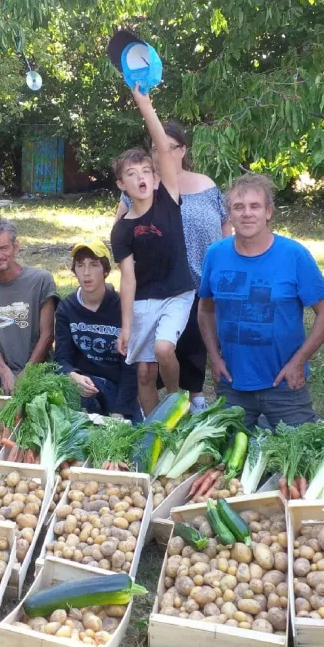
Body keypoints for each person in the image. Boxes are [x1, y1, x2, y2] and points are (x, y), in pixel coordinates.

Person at [198, 173, 324, 431]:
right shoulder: (216, 254)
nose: (246, 214)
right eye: (238, 207)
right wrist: (214, 358)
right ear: (229, 214)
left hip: (284, 382)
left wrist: (298, 361)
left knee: (301, 459)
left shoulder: (294, 255)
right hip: (232, 384)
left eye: (255, 206)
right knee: (225, 462)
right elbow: (205, 308)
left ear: (269, 212)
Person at [115, 121, 230, 415]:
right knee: (151, 363)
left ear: (183, 149)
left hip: (194, 280)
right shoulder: (146, 190)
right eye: (155, 147)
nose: (161, 152)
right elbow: (123, 238)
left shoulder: (205, 185)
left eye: (168, 147)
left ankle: (192, 398)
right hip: (150, 286)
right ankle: (160, 415)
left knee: (191, 344)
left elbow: (224, 224)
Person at [111, 86, 196, 417]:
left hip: (177, 292)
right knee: (144, 372)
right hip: (144, 299)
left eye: (146, 171)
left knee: (163, 348)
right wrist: (126, 327)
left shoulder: (168, 198)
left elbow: (163, 148)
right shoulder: (122, 229)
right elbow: (128, 280)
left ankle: (176, 402)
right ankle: (153, 426)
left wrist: (145, 106)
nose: (141, 177)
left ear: (155, 175)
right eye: (131, 174)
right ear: (122, 185)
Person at [0, 218, 59, 395]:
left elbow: (47, 335)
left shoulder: (41, 280)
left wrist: (26, 375)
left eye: (3, 248)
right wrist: (4, 371)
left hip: (38, 369)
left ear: (16, 247)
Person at [53, 241, 143, 421]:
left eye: (94, 265)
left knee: (137, 442)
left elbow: (130, 367)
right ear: (74, 271)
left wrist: (120, 411)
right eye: (80, 265)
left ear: (106, 271)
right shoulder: (66, 308)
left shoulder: (122, 307)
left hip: (118, 388)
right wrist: (73, 376)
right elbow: (61, 357)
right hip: (82, 386)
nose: (86, 273)